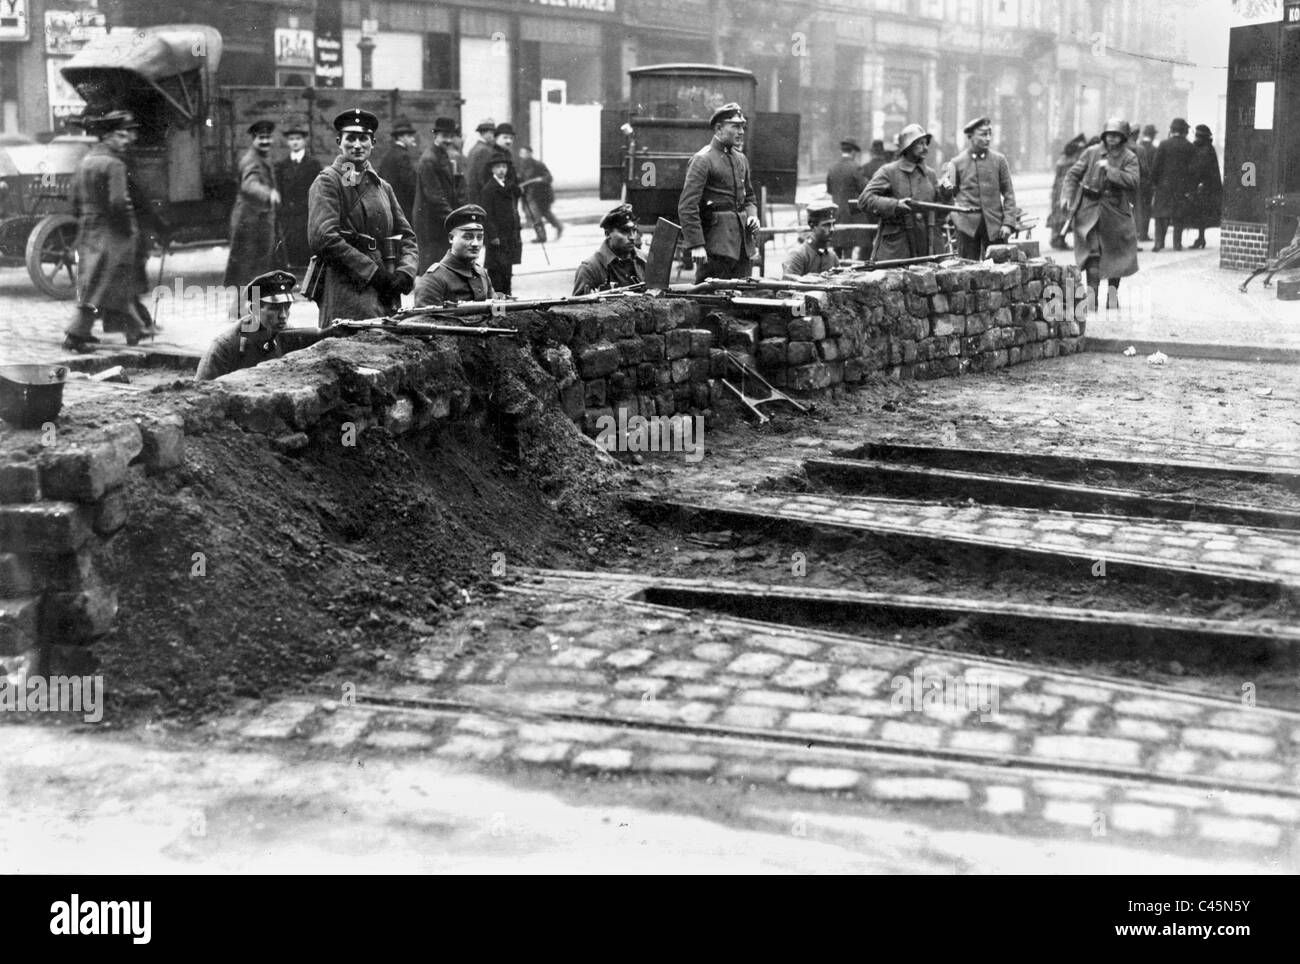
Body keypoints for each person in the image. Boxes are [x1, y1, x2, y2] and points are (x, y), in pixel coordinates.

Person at [307, 108, 419, 327]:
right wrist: (372, 272)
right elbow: (323, 238)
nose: (357, 145)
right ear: (339, 142)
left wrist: (405, 273)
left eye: (363, 138)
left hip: (386, 292)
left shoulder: (382, 187)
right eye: (351, 138)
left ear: (373, 143)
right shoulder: (329, 182)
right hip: (347, 293)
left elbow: (407, 237)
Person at [63, 110, 154, 352]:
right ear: (108, 136)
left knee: (108, 281)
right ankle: (76, 333)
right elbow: (118, 203)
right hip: (112, 232)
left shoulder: (84, 162)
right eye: (121, 136)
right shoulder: (114, 165)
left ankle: (134, 328)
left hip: (88, 230)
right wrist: (128, 230)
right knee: (101, 284)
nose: (126, 141)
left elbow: (73, 203)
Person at [1061, 117, 1139, 311]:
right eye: (1109, 135)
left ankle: (1112, 297)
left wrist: (1111, 171)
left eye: (1117, 135)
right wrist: (1066, 196)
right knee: (1092, 253)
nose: (1112, 139)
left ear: (1123, 137)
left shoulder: (1129, 157)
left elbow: (1133, 181)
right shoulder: (1091, 152)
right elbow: (1072, 175)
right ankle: (1091, 298)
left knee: (1117, 255)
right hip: (1090, 208)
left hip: (1116, 210)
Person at [678, 102, 759, 282]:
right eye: (735, 126)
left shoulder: (741, 159)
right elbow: (687, 206)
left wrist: (752, 215)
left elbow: (750, 197)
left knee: (741, 299)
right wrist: (696, 245)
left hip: (743, 246)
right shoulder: (703, 160)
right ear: (719, 129)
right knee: (711, 300)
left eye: (742, 127)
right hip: (715, 246)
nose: (741, 132)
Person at [859, 123, 944, 261]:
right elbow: (864, 199)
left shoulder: (930, 174)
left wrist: (946, 196)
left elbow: (940, 213)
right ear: (908, 146)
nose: (925, 147)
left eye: (926, 143)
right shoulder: (889, 171)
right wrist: (894, 205)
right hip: (897, 246)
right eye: (920, 143)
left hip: (926, 245)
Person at [939, 116, 1018, 260]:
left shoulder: (999, 160)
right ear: (971, 137)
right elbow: (948, 192)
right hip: (967, 228)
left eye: (989, 134)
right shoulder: (957, 162)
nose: (988, 138)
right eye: (983, 134)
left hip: (994, 226)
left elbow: (1009, 194)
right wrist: (945, 183)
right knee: (968, 269)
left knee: (999, 269)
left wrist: (1008, 224)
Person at [196, 270, 296, 381]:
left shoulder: (292, 336)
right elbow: (201, 390)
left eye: (287, 307)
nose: (283, 315)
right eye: (275, 308)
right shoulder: (225, 346)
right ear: (254, 309)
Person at [224, 119, 281, 288]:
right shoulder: (252, 160)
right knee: (249, 270)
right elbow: (249, 184)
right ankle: (247, 310)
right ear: (253, 139)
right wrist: (268, 193)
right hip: (250, 222)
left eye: (268, 137)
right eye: (261, 138)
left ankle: (249, 309)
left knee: (255, 269)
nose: (265, 141)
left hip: (256, 220)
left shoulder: (261, 157)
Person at [414, 204, 495, 306]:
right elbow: (423, 320)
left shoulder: (481, 273)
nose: (475, 244)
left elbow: (497, 313)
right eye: (468, 237)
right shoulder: (433, 280)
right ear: (451, 238)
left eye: (479, 237)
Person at [413, 116, 463, 273]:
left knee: (442, 265)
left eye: (450, 136)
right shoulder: (429, 159)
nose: (448, 140)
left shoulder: (442, 154)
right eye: (444, 136)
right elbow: (435, 196)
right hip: (430, 223)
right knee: (433, 266)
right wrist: (454, 219)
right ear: (435, 136)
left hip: (439, 221)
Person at [274, 118, 322, 272]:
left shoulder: (313, 164)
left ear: (304, 141)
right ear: (288, 142)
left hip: (306, 213)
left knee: (306, 247)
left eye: (298, 139)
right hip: (289, 215)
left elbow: (318, 190)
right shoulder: (282, 165)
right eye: (291, 139)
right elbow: (279, 190)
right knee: (291, 247)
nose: (295, 142)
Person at [572, 203, 645, 295]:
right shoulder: (590, 269)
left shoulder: (645, 261)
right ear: (607, 234)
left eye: (634, 230)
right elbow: (578, 307)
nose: (632, 237)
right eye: (624, 231)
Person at [1150, 117, 1196, 252]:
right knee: (1179, 216)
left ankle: (1159, 243)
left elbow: (1156, 166)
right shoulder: (1190, 146)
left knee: (1160, 216)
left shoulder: (1164, 144)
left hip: (1163, 186)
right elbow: (1193, 171)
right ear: (1184, 131)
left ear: (1172, 130)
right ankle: (1177, 244)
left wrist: (1154, 182)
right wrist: (1190, 188)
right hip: (1182, 187)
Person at [481, 155, 522, 295]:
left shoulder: (509, 186)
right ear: (492, 169)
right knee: (496, 275)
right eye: (498, 167)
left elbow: (517, 200)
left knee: (507, 272)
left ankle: (508, 306)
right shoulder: (489, 189)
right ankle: (498, 311)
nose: (501, 170)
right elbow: (487, 215)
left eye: (504, 167)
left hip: (509, 236)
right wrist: (493, 235)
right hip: (497, 238)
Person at [1047, 134, 1088, 250]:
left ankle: (1057, 238)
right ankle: (1059, 240)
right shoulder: (1076, 159)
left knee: (1059, 214)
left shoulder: (1062, 159)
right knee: (1068, 214)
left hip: (1059, 188)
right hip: (1069, 188)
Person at [782, 198, 840, 279]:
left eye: (833, 224)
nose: (832, 229)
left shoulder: (832, 256)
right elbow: (786, 287)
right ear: (813, 226)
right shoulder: (799, 255)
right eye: (826, 225)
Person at [826, 139, 865, 258]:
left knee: (836, 250)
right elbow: (863, 189)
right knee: (848, 252)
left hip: (835, 214)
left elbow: (829, 190)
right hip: (851, 215)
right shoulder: (856, 168)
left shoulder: (832, 168)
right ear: (853, 152)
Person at [517, 145, 563, 243]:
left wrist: (541, 179)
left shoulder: (538, 165)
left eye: (525, 153)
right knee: (535, 216)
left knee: (545, 214)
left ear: (530, 153)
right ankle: (541, 236)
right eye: (521, 153)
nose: (522, 155)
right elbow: (520, 178)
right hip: (529, 196)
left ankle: (558, 227)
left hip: (541, 195)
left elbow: (549, 177)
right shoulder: (521, 166)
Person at [376, 116, 418, 219]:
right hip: (402, 207)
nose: (413, 138)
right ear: (401, 137)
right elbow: (410, 184)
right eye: (409, 136)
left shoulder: (388, 155)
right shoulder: (403, 156)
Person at [1188, 124, 1222, 250]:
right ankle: (1201, 237)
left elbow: (1200, 168)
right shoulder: (1208, 148)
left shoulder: (1204, 149)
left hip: (1203, 187)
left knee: (1200, 214)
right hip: (1207, 187)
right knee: (1201, 214)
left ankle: (1201, 238)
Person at [1133, 124, 1158, 244]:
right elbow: (1155, 168)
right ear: (1153, 135)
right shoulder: (1154, 149)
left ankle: (1136, 232)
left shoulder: (1138, 147)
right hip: (1147, 183)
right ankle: (1143, 233)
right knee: (1146, 208)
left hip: (1135, 182)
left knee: (1135, 208)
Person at [463, 118, 498, 205]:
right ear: (487, 133)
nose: (494, 136)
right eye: (493, 133)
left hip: (473, 195)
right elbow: (483, 177)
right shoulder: (484, 150)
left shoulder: (475, 148)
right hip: (481, 196)